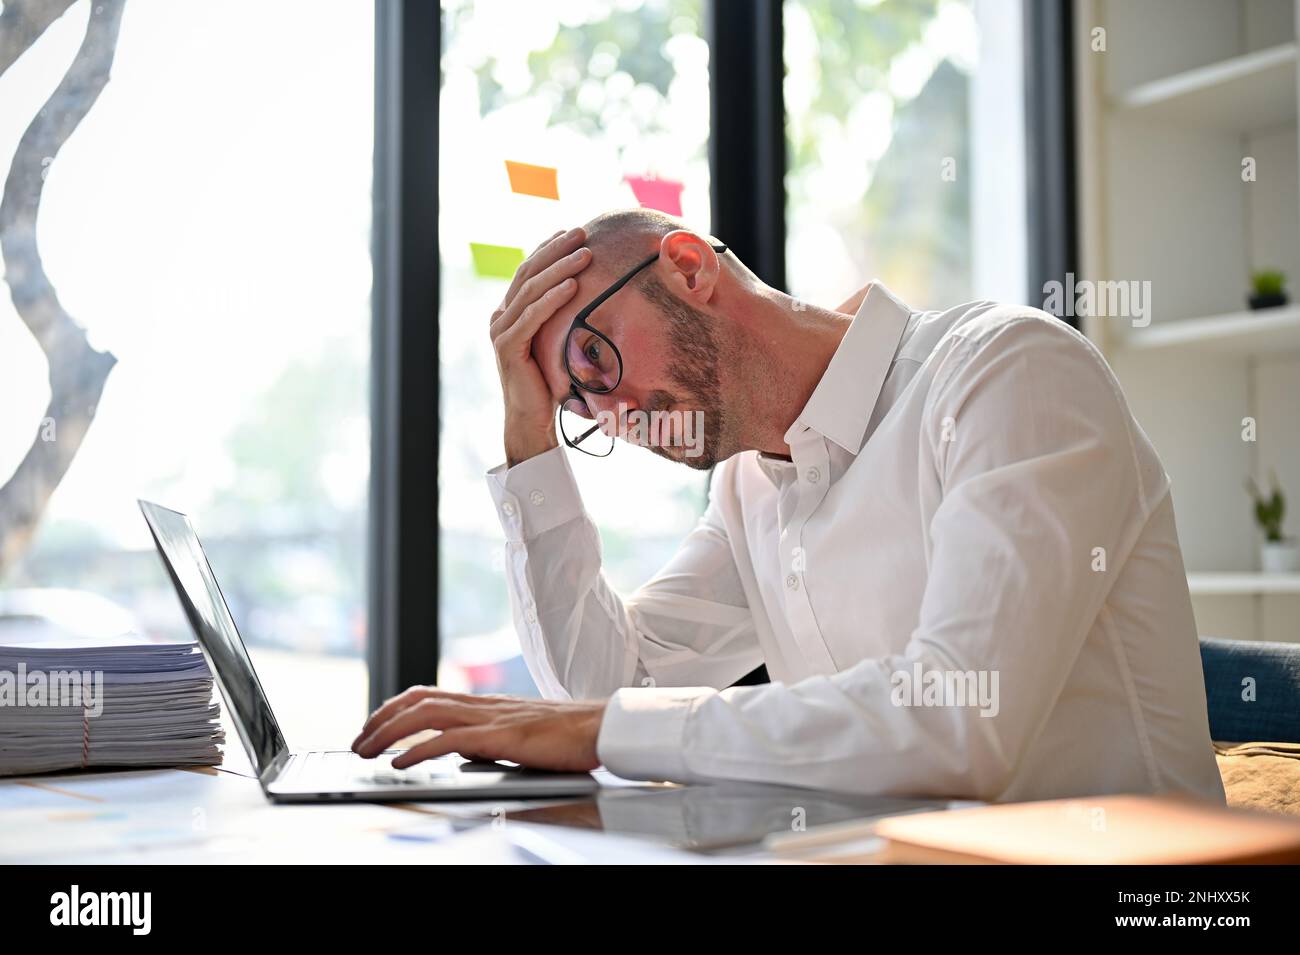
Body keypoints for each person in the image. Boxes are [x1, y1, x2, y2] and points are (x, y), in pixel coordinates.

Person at [353, 209, 1225, 804]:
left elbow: (959, 721)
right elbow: (602, 686)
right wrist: (527, 435)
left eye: (597, 361)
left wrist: (606, 728)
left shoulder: (1006, 372)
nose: (615, 417)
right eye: (578, 412)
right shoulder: (750, 486)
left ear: (689, 268)